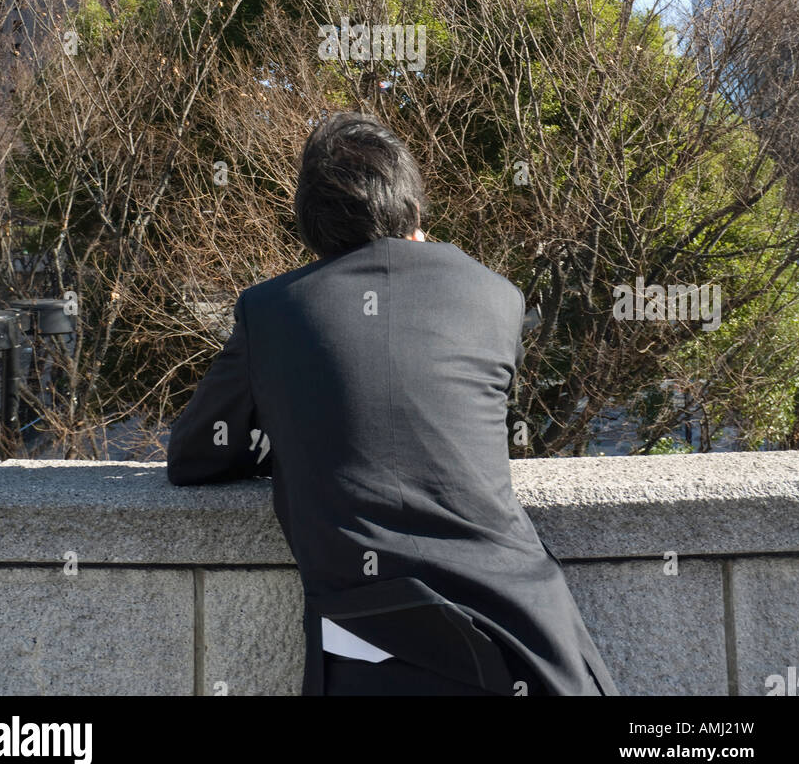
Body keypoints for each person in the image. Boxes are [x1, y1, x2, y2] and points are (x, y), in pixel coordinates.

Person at [167, 111, 618, 697]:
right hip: (534, 640)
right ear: (414, 208)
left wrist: (289, 440)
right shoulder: (495, 297)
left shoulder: (273, 311)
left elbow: (195, 457)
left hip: (377, 650)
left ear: (311, 226)